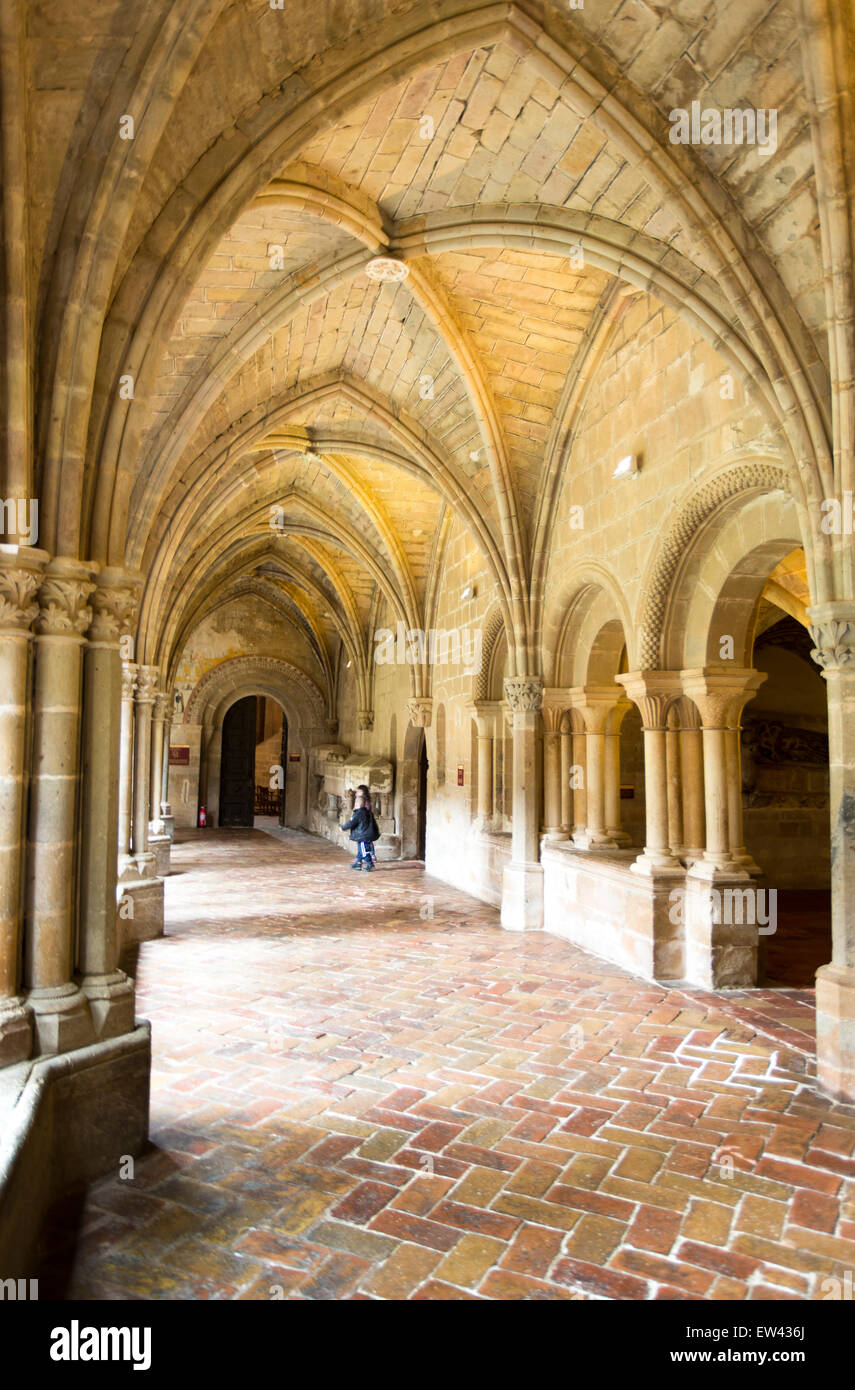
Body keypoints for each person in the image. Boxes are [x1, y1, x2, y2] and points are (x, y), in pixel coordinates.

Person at [340, 789, 375, 870]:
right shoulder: (365, 812)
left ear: (357, 805)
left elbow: (351, 822)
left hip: (363, 836)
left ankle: (369, 864)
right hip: (364, 835)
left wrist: (343, 828)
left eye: (355, 803)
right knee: (360, 851)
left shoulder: (359, 813)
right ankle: (358, 863)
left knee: (363, 850)